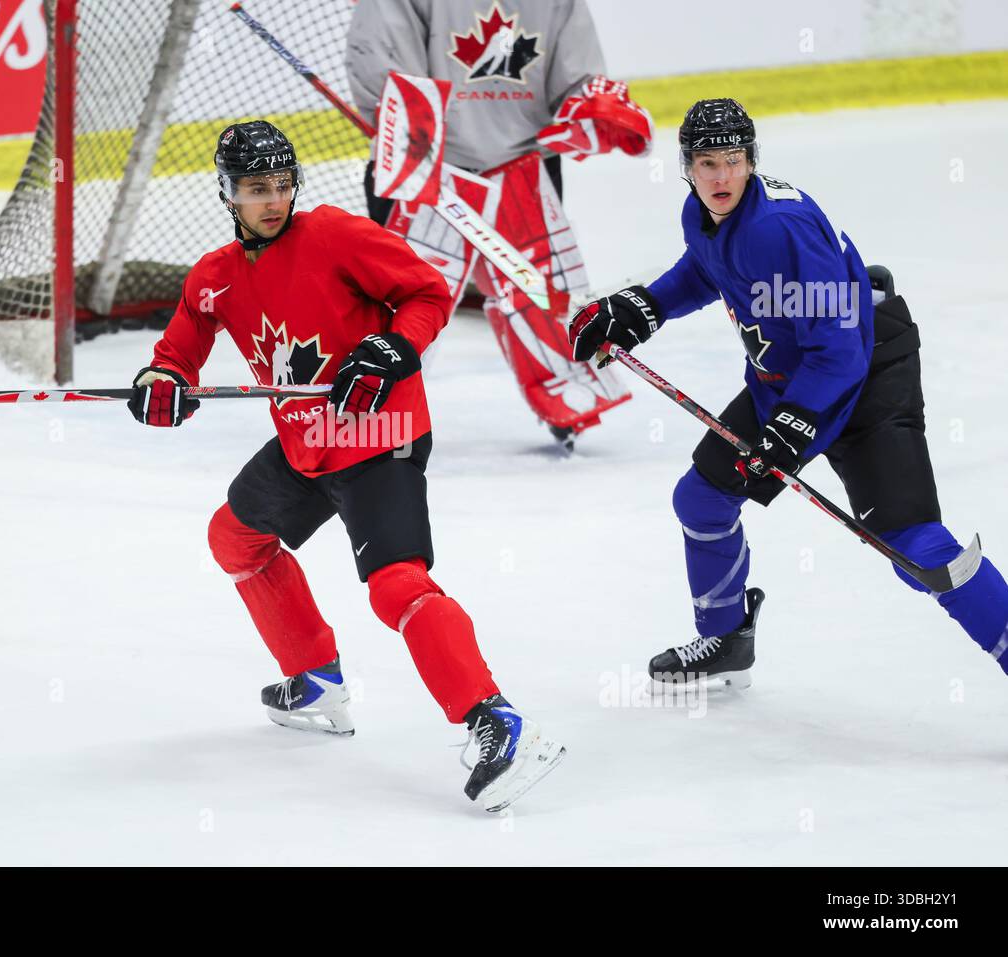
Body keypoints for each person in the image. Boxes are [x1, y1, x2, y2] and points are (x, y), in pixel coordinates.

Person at [129, 120, 565, 810]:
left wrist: (396, 347)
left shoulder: (332, 235)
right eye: (254, 188)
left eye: (281, 185)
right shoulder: (214, 277)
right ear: (226, 193)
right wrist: (162, 381)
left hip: (379, 434)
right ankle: (316, 680)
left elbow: (427, 292)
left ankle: (498, 721)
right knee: (234, 536)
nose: (272, 200)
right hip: (307, 443)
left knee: (397, 585)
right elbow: (180, 350)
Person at [569, 98, 1008, 687]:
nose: (719, 176)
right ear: (687, 169)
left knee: (916, 546)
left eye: (731, 159)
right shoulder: (703, 216)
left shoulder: (781, 227)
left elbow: (841, 346)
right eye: (705, 163)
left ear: (751, 159)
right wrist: (645, 307)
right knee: (700, 500)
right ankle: (728, 637)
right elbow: (707, 269)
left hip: (865, 377)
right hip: (787, 383)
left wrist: (794, 424)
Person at [345, 0, 652, 450]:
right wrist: (408, 130)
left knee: (539, 293)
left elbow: (578, 78)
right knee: (405, 300)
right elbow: (383, 61)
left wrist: (593, 110)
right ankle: (368, 407)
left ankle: (566, 397)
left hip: (525, 166)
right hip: (427, 165)